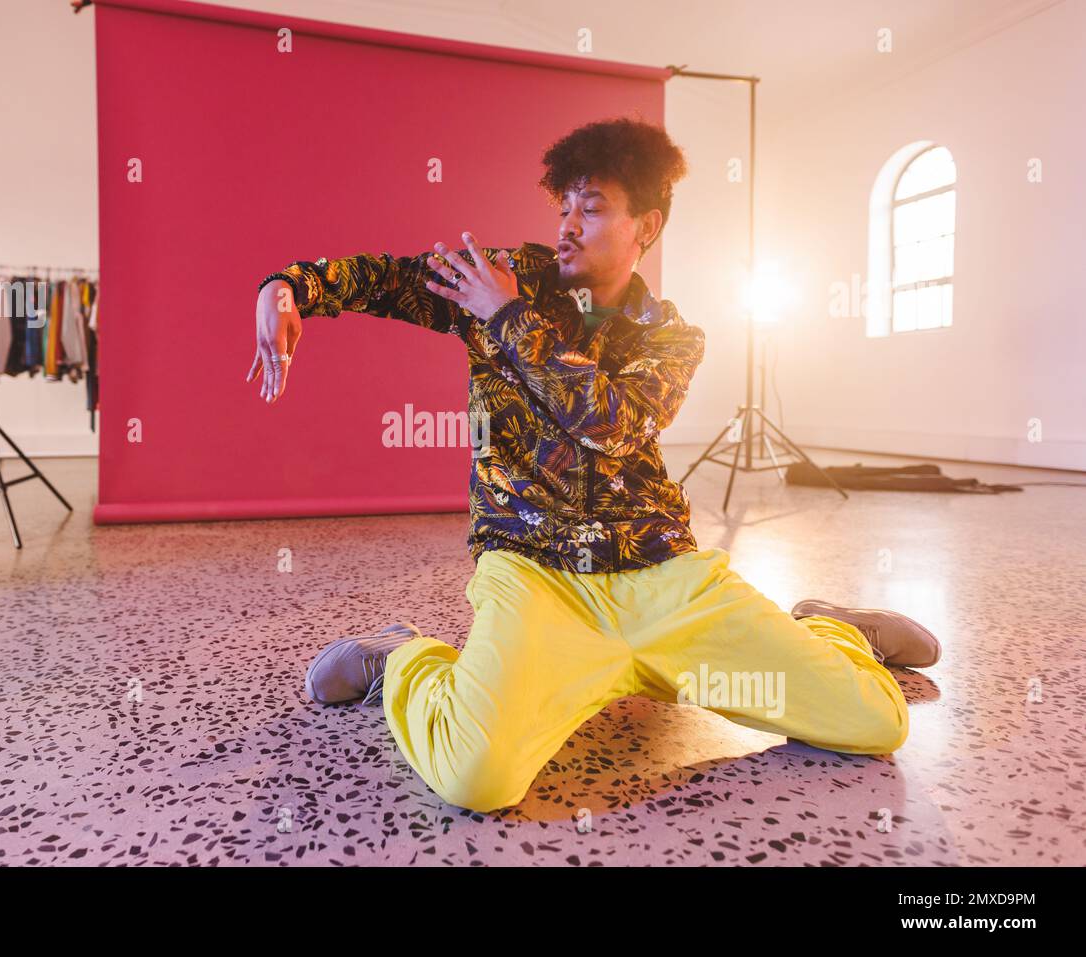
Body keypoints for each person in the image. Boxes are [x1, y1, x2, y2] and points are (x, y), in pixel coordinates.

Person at [249, 116, 940, 814]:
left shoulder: (671, 337)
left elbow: (611, 423)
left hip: (661, 576)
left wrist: (509, 316)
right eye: (564, 206)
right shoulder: (505, 277)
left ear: (647, 226)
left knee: (876, 721)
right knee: (475, 777)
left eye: (594, 206)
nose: (568, 225)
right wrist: (287, 288)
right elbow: (385, 279)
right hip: (534, 568)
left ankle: (830, 628)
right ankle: (400, 657)